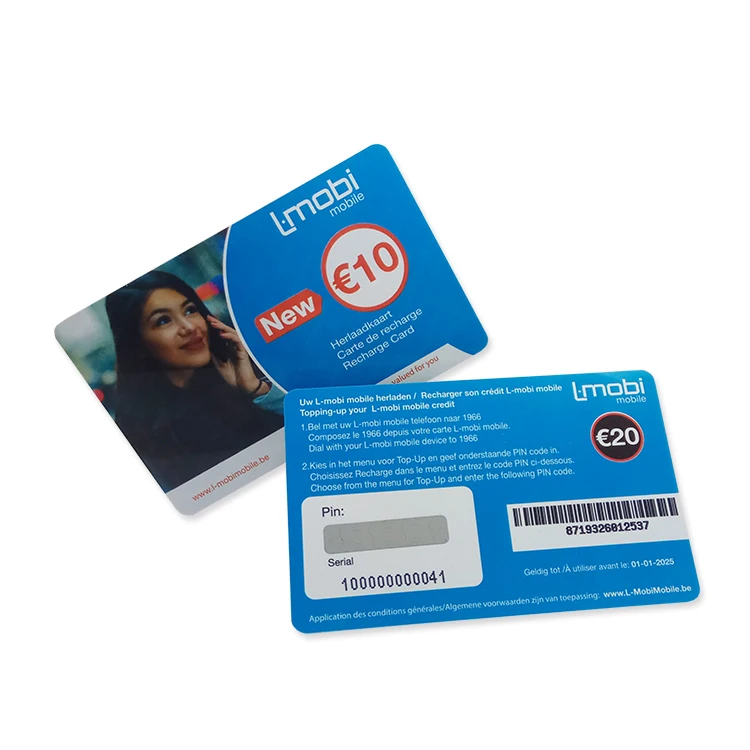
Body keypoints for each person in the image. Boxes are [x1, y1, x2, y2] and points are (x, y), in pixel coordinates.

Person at [105, 270, 283, 491]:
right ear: (136, 342)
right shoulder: (143, 431)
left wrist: (255, 390)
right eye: (163, 321)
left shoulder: (233, 378)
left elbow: (310, 438)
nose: (189, 327)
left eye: (190, 310)